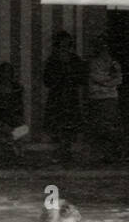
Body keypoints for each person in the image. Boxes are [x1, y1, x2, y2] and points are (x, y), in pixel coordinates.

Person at [43, 31, 86, 164]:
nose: (65, 46)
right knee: (57, 125)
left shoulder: (75, 59)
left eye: (67, 43)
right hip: (57, 97)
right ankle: (59, 152)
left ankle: (66, 152)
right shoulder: (52, 60)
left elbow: (81, 78)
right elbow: (47, 80)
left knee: (69, 126)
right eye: (62, 43)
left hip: (70, 97)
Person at [85, 35, 122, 162]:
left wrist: (106, 80)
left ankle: (110, 153)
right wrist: (109, 79)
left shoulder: (114, 63)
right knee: (98, 126)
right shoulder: (93, 62)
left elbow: (118, 79)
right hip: (96, 97)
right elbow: (96, 77)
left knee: (109, 126)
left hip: (109, 98)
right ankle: (101, 154)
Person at [0, 62, 26, 157]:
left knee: (21, 128)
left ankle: (15, 150)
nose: (6, 74)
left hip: (13, 115)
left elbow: (19, 105)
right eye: (4, 72)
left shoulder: (17, 87)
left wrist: (16, 116)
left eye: (8, 72)